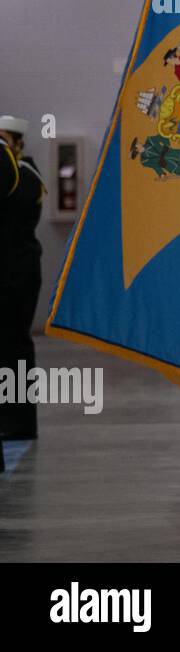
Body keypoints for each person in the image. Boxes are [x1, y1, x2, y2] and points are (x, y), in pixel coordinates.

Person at [0, 115, 45, 441]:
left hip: (20, 272)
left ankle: (19, 423)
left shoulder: (26, 173)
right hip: (9, 268)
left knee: (15, 347)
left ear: (17, 143)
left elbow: (13, 203)